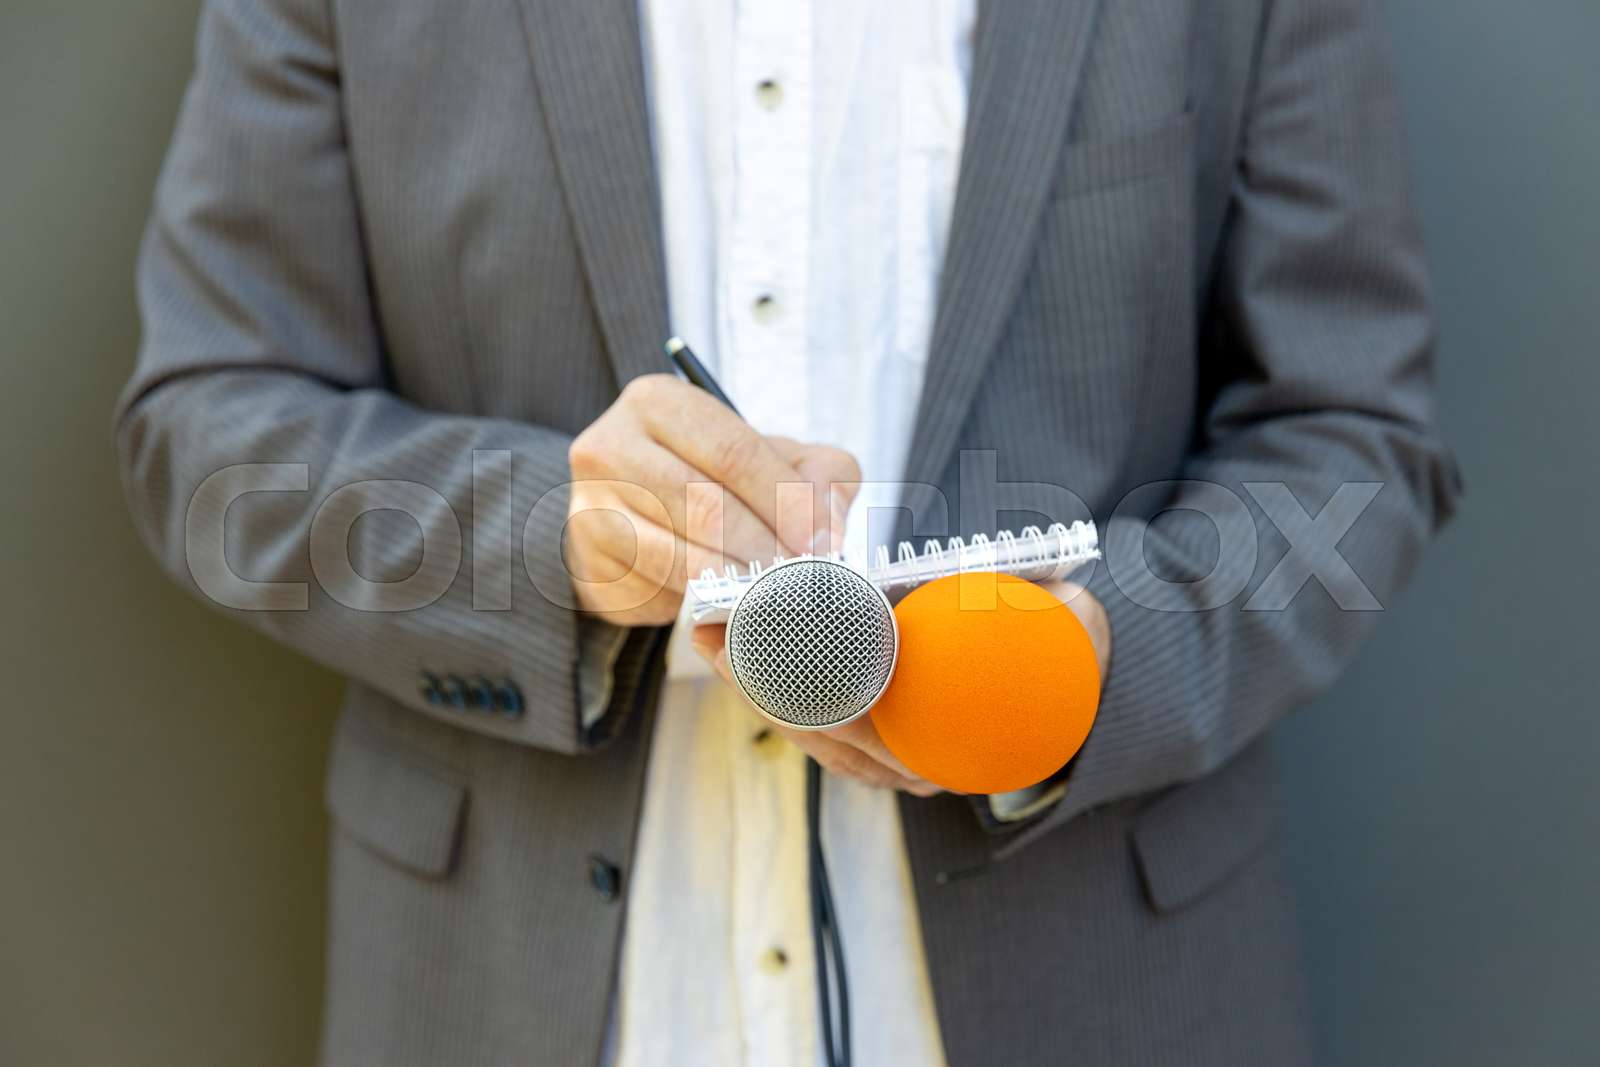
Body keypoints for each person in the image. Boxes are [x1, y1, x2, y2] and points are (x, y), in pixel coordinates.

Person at [116, 0, 1460, 1064]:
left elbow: (1355, 442)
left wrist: (1099, 666)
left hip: (1101, 983)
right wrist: (545, 538)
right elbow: (206, 439)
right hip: (506, 988)